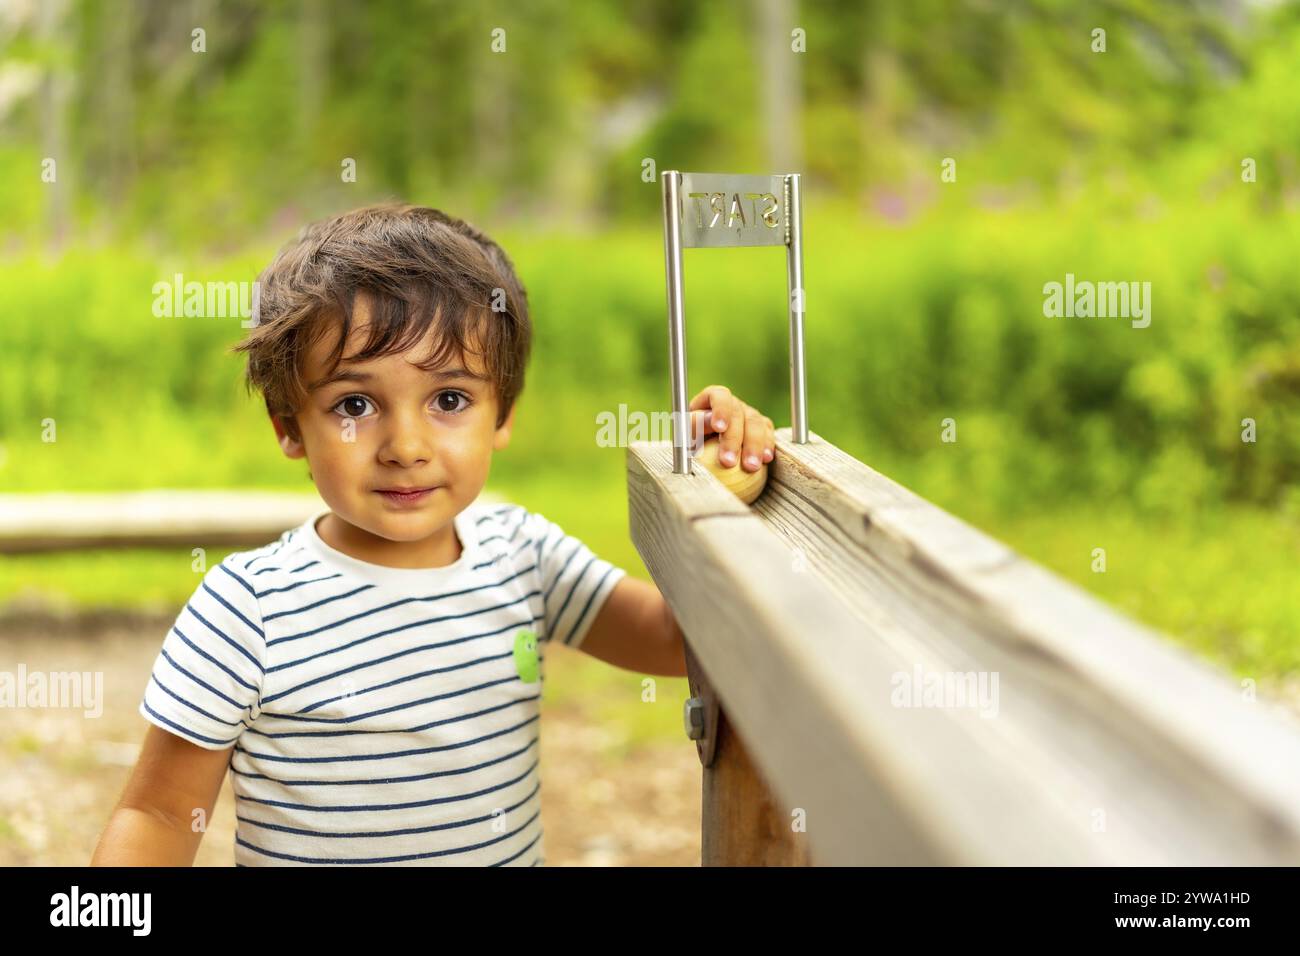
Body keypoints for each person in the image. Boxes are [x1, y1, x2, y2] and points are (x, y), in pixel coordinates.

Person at [90, 203, 776, 866]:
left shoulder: (523, 555)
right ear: (289, 425)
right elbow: (158, 816)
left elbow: (668, 640)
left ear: (502, 411)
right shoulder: (250, 609)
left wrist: (714, 489)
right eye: (355, 405)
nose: (406, 446)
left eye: (449, 400)